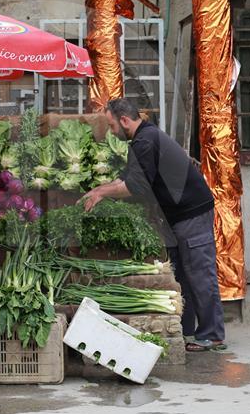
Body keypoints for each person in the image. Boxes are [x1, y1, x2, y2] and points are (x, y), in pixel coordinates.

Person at [81, 98, 225, 351]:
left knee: (199, 273)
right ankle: (188, 329)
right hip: (178, 216)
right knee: (181, 274)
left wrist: (102, 194)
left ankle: (212, 335)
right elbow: (127, 177)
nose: (112, 132)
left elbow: (136, 186)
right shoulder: (143, 140)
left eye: (113, 126)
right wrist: (99, 189)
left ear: (125, 120)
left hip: (191, 213)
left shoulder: (145, 140)